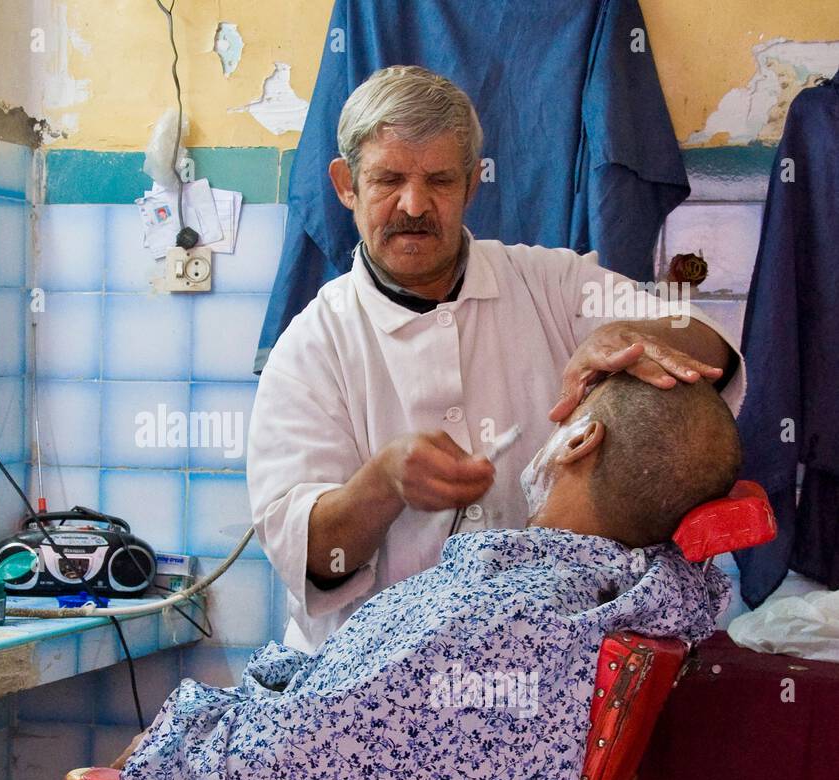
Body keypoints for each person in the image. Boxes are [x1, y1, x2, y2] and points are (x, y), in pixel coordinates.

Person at [0, 374, 740, 780]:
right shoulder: (627, 599)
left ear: (582, 438)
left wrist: (163, 753)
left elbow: (267, 771)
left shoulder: (495, 625)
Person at [247, 65, 745, 654]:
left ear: (472, 184)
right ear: (345, 184)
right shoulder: (311, 346)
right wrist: (382, 485)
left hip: (536, 667)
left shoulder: (551, 281)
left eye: (439, 180)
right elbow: (305, 555)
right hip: (369, 677)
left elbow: (709, 342)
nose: (413, 204)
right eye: (388, 180)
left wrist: (629, 332)